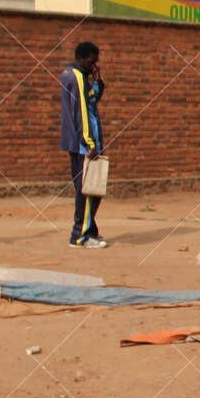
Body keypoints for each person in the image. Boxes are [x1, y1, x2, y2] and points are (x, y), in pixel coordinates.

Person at [60, 41, 108, 248]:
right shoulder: (77, 77)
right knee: (88, 190)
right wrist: (89, 143)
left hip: (81, 142)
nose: (94, 65)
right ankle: (80, 236)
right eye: (91, 61)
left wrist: (98, 80)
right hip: (84, 144)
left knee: (91, 189)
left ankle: (89, 230)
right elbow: (81, 113)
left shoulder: (77, 75)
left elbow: (92, 101)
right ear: (81, 58)